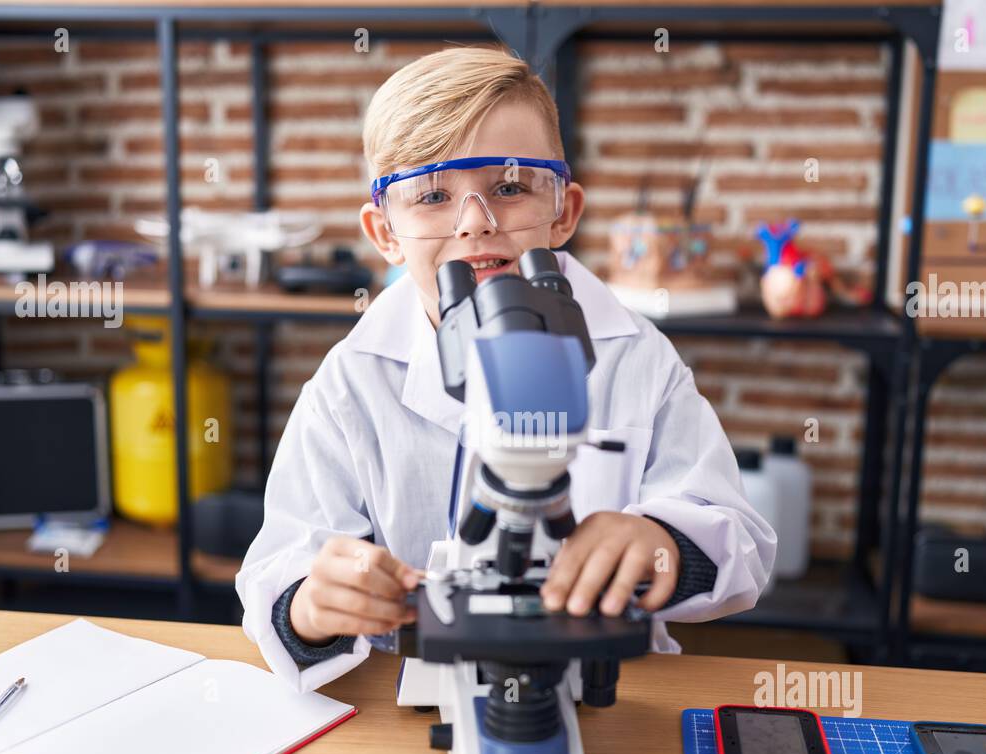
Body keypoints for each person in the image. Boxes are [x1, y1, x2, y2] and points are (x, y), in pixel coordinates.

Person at [237, 46, 776, 692]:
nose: (475, 224)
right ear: (384, 232)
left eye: (511, 188)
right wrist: (312, 606)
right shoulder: (351, 381)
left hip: (609, 693)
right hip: (411, 692)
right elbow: (280, 570)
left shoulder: (637, 357)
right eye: (433, 195)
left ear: (564, 212)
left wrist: (657, 541)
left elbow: (741, 546)